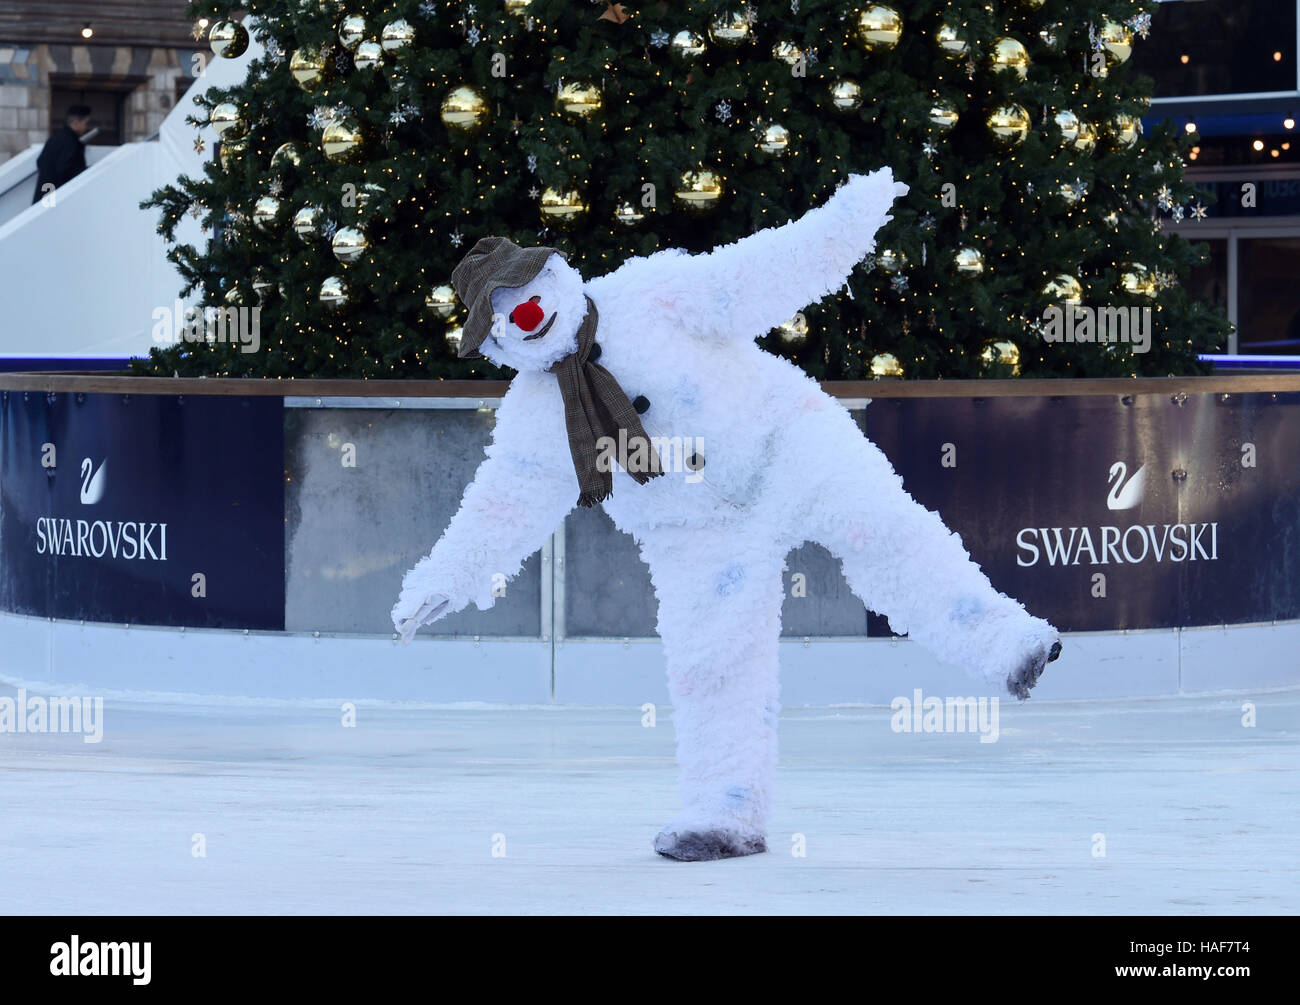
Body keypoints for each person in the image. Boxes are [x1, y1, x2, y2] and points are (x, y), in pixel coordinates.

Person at [32, 104, 92, 204]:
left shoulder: (55, 138)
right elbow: (66, 170)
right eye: (85, 123)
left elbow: (40, 162)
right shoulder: (72, 142)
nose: (85, 127)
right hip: (58, 199)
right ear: (76, 122)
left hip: (44, 196)